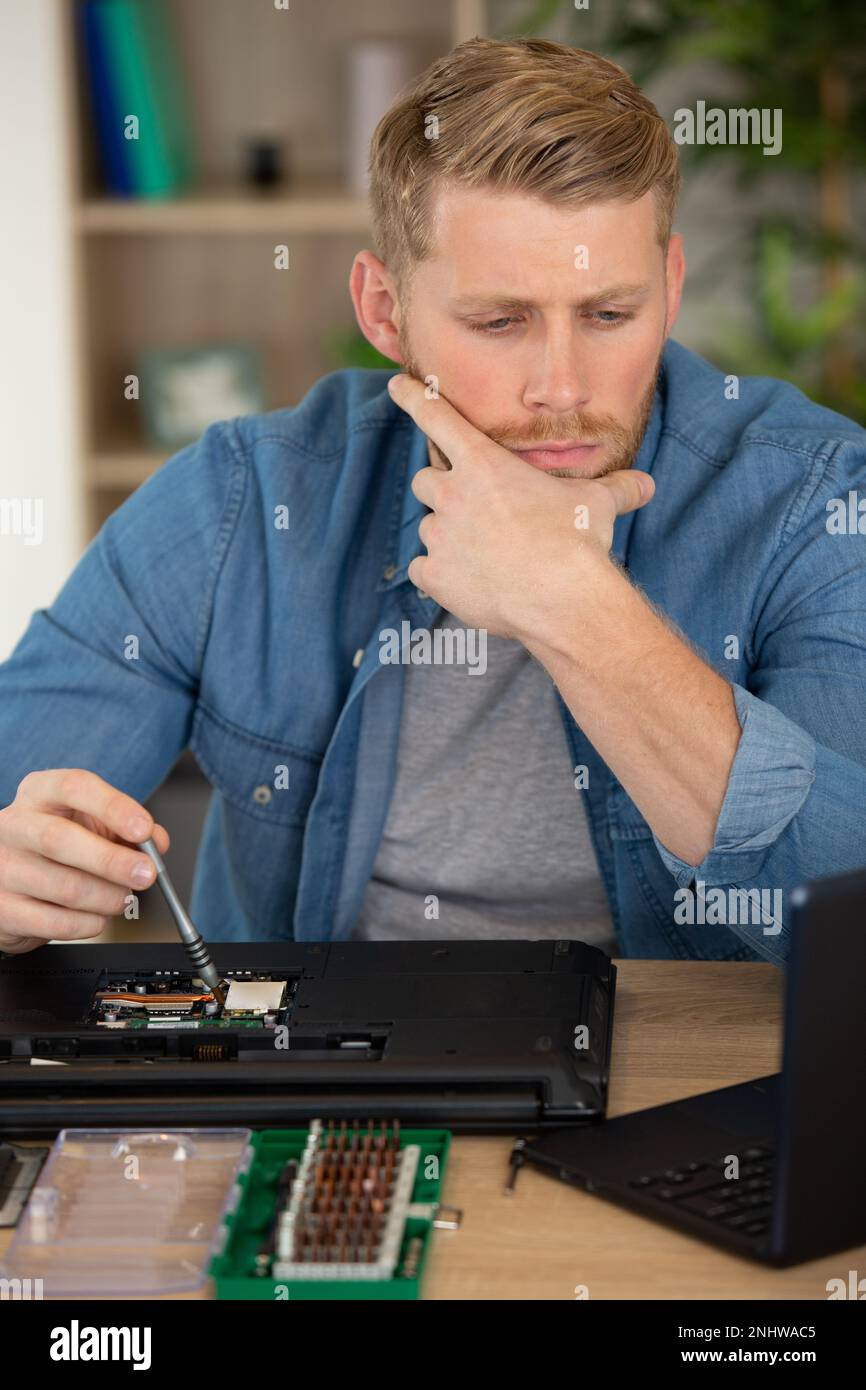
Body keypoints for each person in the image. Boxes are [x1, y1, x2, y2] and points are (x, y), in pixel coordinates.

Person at [1, 38, 864, 962]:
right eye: (499, 322)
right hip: (330, 1081)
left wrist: (568, 599)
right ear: (385, 312)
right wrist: (20, 880)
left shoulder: (814, 499)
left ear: (672, 285)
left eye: (610, 315)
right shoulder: (240, 502)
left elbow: (842, 927)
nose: (563, 388)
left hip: (698, 1083)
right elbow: (22, 794)